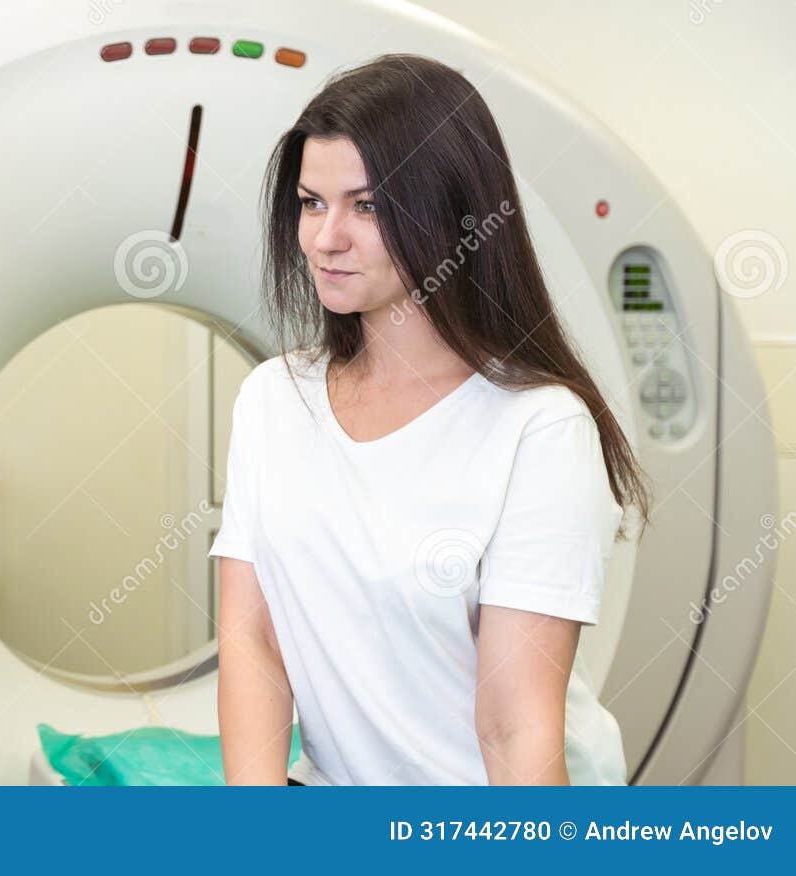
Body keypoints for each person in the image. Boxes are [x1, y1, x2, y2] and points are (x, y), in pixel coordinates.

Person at [212, 54, 649, 785]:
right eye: (311, 202)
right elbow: (253, 641)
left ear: (451, 213)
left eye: (368, 205)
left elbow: (513, 727)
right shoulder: (272, 400)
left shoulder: (537, 429)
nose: (326, 238)